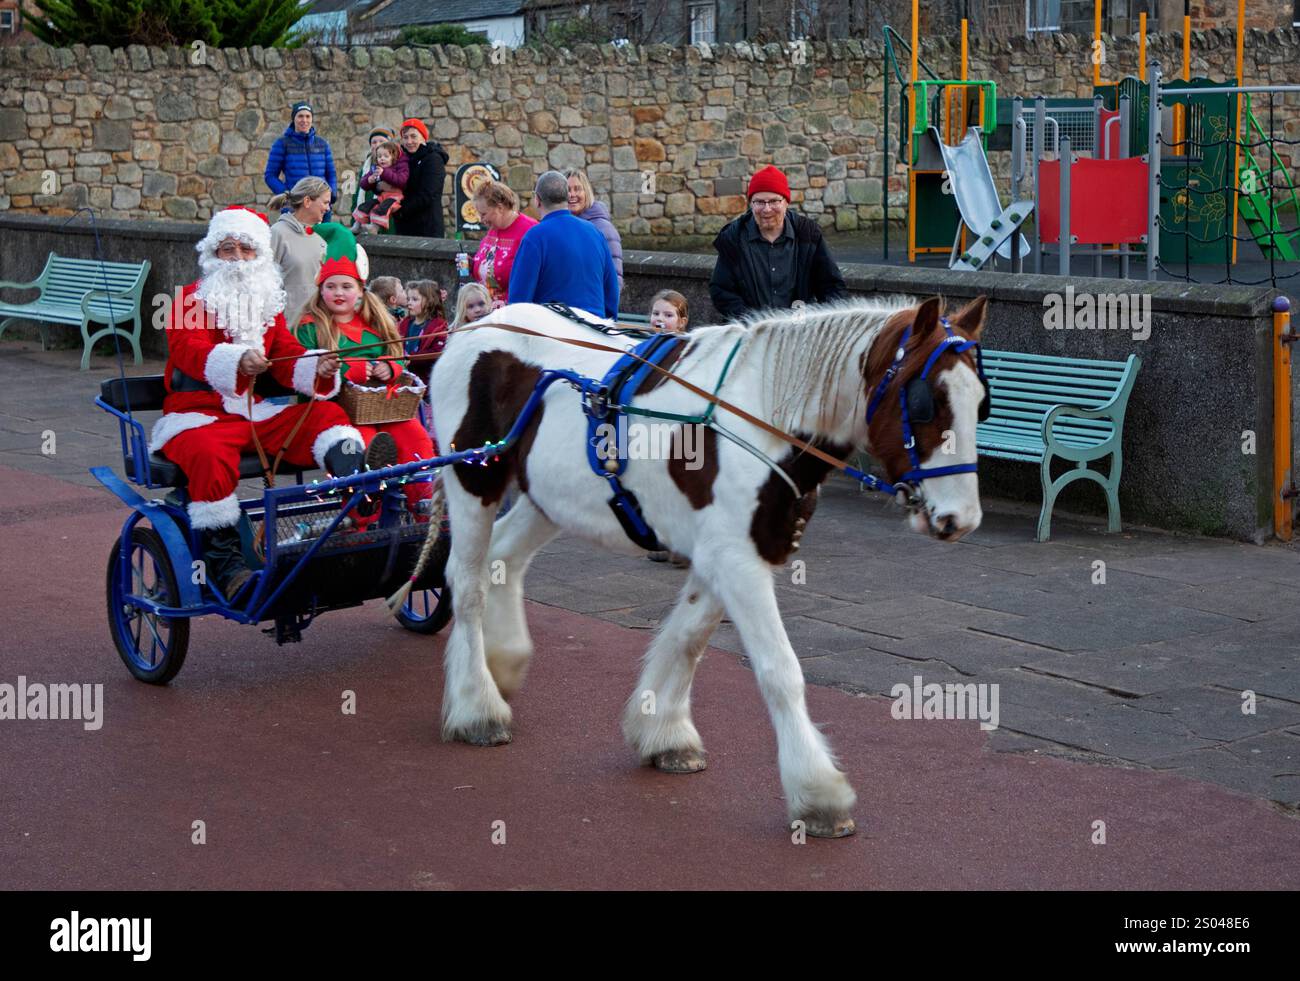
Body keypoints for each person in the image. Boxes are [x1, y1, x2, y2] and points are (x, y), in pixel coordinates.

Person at [151, 206, 389, 601]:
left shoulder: (267, 304)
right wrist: (235, 360)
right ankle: (227, 565)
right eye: (229, 249)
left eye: (247, 249)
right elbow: (188, 349)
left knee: (327, 414)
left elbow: (286, 354)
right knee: (208, 455)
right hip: (197, 416)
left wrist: (318, 364)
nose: (239, 258)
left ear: (261, 255)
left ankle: (358, 495)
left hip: (254, 413)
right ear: (213, 254)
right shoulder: (189, 301)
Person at [293, 224, 435, 520]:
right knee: (363, 444)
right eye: (331, 287)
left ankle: (424, 505)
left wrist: (390, 367)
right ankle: (363, 517)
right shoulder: (310, 326)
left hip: (385, 406)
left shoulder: (374, 324)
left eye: (346, 286)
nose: (338, 293)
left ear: (359, 290)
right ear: (320, 290)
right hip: (339, 411)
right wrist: (347, 369)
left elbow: (397, 354)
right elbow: (301, 371)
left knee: (416, 438)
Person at [709, 164, 847, 321]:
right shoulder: (733, 238)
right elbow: (721, 290)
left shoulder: (808, 235)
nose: (767, 209)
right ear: (751, 204)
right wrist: (752, 321)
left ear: (786, 202)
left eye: (774, 201)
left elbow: (832, 286)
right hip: (751, 333)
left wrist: (823, 324)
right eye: (759, 202)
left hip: (798, 329)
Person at [507, 171, 619, 319]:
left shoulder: (534, 237)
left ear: (537, 200)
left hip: (553, 332)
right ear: (567, 196)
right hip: (595, 329)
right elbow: (611, 290)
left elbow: (518, 302)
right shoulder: (595, 233)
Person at [268, 176, 330, 329]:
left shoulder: (322, 236)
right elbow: (265, 286)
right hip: (289, 329)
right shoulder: (277, 233)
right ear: (307, 201)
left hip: (320, 328)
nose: (328, 208)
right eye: (325, 202)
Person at [264, 101, 337, 219]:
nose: (304, 120)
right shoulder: (282, 143)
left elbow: (331, 173)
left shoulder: (322, 144)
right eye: (300, 116)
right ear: (294, 119)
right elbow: (270, 176)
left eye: (308, 116)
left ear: (312, 119)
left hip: (321, 207)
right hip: (295, 207)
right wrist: (288, 195)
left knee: (322, 237)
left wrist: (331, 194)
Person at [470, 180, 537, 306]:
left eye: (484, 214)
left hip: (513, 313)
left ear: (500, 208)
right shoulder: (494, 229)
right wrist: (472, 266)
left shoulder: (529, 230)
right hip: (488, 310)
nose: (481, 219)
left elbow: (533, 278)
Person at [566, 168, 624, 288]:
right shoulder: (564, 226)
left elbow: (615, 277)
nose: (572, 195)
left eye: (577, 189)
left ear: (587, 192)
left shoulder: (604, 228)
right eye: (567, 190)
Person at [393, 118, 449, 239]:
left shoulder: (433, 159)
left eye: (414, 136)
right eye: (405, 137)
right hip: (404, 226)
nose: (409, 141)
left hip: (426, 228)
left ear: (423, 137)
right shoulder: (402, 159)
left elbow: (428, 194)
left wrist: (400, 211)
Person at [398, 279, 448, 387]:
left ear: (430, 301)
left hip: (426, 382)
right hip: (404, 381)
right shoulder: (405, 323)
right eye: (408, 299)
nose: (409, 303)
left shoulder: (439, 326)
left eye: (415, 299)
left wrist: (410, 358)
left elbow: (435, 353)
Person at [352, 139, 407, 232]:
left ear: (393, 157)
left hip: (394, 197)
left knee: (382, 209)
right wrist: (369, 180)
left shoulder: (397, 166)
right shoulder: (376, 167)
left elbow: (402, 180)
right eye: (379, 156)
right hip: (381, 197)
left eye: (386, 156)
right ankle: (357, 224)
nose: (382, 158)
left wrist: (384, 173)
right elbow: (363, 182)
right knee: (365, 206)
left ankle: (375, 227)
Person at [350, 127, 395, 236]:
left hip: (387, 220)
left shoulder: (394, 166)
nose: (377, 144)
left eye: (381, 141)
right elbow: (358, 192)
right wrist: (354, 215)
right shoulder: (366, 167)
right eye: (374, 142)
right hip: (364, 220)